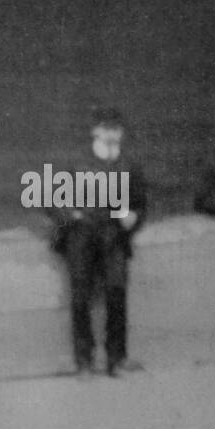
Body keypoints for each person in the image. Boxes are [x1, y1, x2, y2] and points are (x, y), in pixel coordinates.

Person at [50, 107, 150, 378]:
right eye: (106, 128)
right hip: (81, 236)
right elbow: (54, 200)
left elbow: (140, 205)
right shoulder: (77, 163)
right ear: (95, 131)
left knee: (117, 292)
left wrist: (133, 217)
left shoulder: (130, 166)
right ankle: (83, 360)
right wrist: (73, 216)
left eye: (117, 129)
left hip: (113, 235)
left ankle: (116, 359)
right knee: (81, 295)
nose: (112, 134)